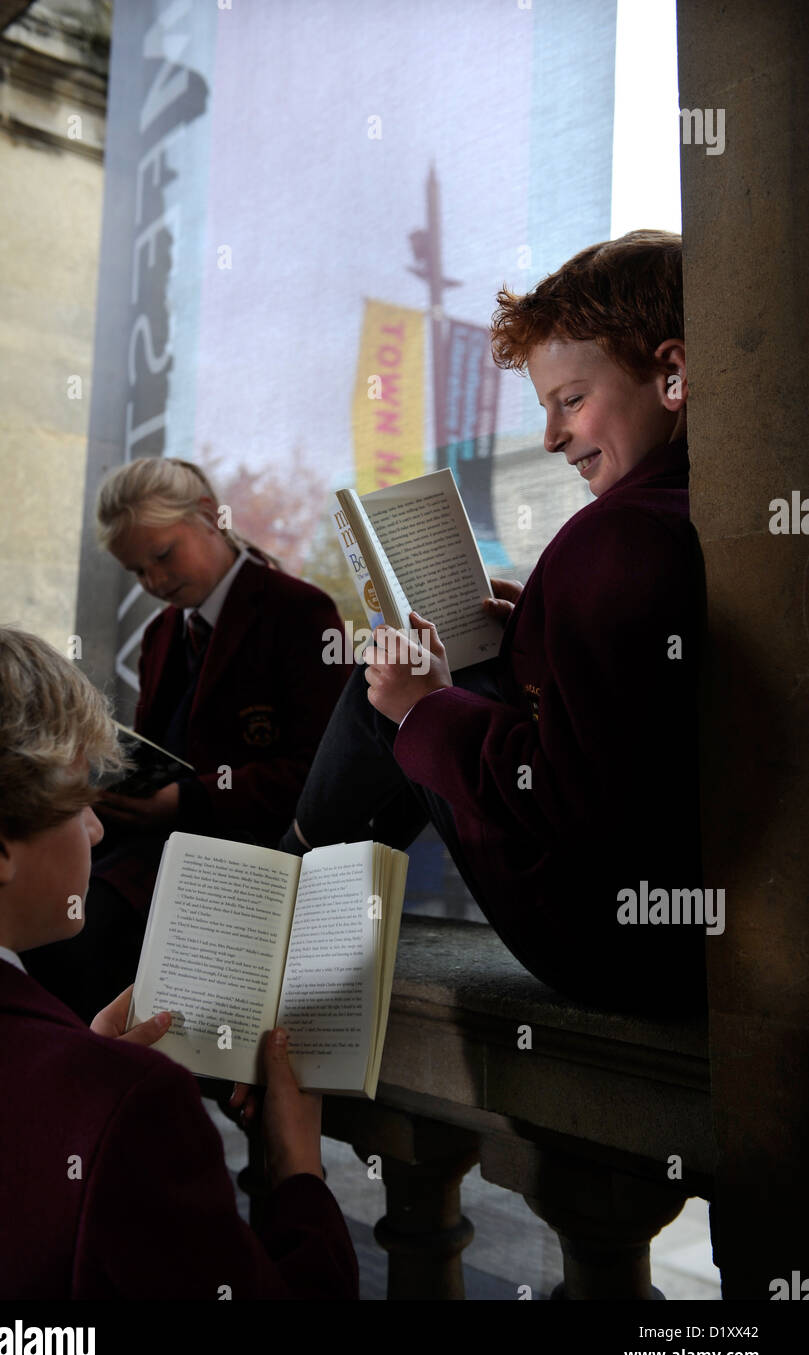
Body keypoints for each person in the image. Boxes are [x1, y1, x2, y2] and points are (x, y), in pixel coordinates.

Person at [279, 230, 707, 1014]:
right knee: (447, 664)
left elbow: (578, 804)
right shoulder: (701, 509)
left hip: (603, 939)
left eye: (571, 401)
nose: (550, 439)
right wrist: (533, 640)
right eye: (545, 409)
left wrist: (421, 709)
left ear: (672, 374)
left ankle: (270, 909)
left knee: (387, 689)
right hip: (681, 931)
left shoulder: (619, 534)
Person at [0, 621, 358, 1299]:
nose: (97, 828)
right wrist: (298, 1172)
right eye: (79, 802)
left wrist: (76, 1070)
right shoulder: (133, 1101)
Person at [25, 457, 350, 1020]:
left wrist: (189, 799)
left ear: (207, 516)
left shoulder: (298, 611)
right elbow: (153, 754)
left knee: (82, 928)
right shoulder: (161, 634)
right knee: (41, 903)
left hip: (246, 852)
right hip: (160, 843)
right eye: (136, 571)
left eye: (161, 556)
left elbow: (324, 774)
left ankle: (99, 1077)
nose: (153, 581)